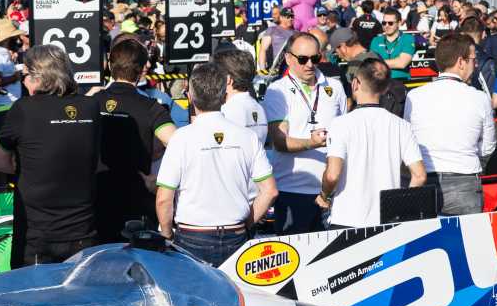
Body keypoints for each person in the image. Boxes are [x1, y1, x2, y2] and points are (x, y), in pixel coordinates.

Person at [157, 63, 277, 267]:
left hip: (192, 235)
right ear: (224, 96)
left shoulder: (181, 139)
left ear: (189, 97)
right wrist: (247, 225)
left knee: (194, 298)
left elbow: (164, 199)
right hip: (236, 233)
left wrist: (167, 235)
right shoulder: (247, 137)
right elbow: (270, 191)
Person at [0, 45, 102, 266]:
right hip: (83, 231)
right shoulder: (90, 107)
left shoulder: (23, 109)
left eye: (25, 76)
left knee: (36, 298)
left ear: (38, 77)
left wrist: (31, 165)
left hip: (38, 235)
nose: (23, 82)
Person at [87, 39, 175, 242]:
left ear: (110, 65)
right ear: (143, 70)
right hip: (136, 202)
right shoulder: (151, 107)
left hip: (95, 201)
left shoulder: (91, 102)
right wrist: (161, 182)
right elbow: (178, 144)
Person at [322, 59, 425, 227]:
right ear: (385, 89)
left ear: (355, 83)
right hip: (387, 220)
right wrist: (401, 208)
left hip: (346, 220)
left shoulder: (340, 124)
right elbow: (419, 176)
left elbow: (332, 174)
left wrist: (323, 195)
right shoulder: (402, 126)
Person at [262, 31, 347, 232]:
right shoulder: (277, 91)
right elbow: (280, 142)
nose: (310, 64)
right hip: (292, 190)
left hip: (331, 190)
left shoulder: (334, 87)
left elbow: (344, 131)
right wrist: (312, 142)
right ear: (288, 58)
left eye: (315, 58)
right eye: (303, 59)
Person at [405, 32, 496, 215]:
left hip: (425, 178)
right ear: (461, 62)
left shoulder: (414, 96)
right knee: (467, 242)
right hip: (464, 178)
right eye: (473, 59)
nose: (476, 64)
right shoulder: (479, 98)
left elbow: (409, 141)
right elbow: (487, 147)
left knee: (424, 242)